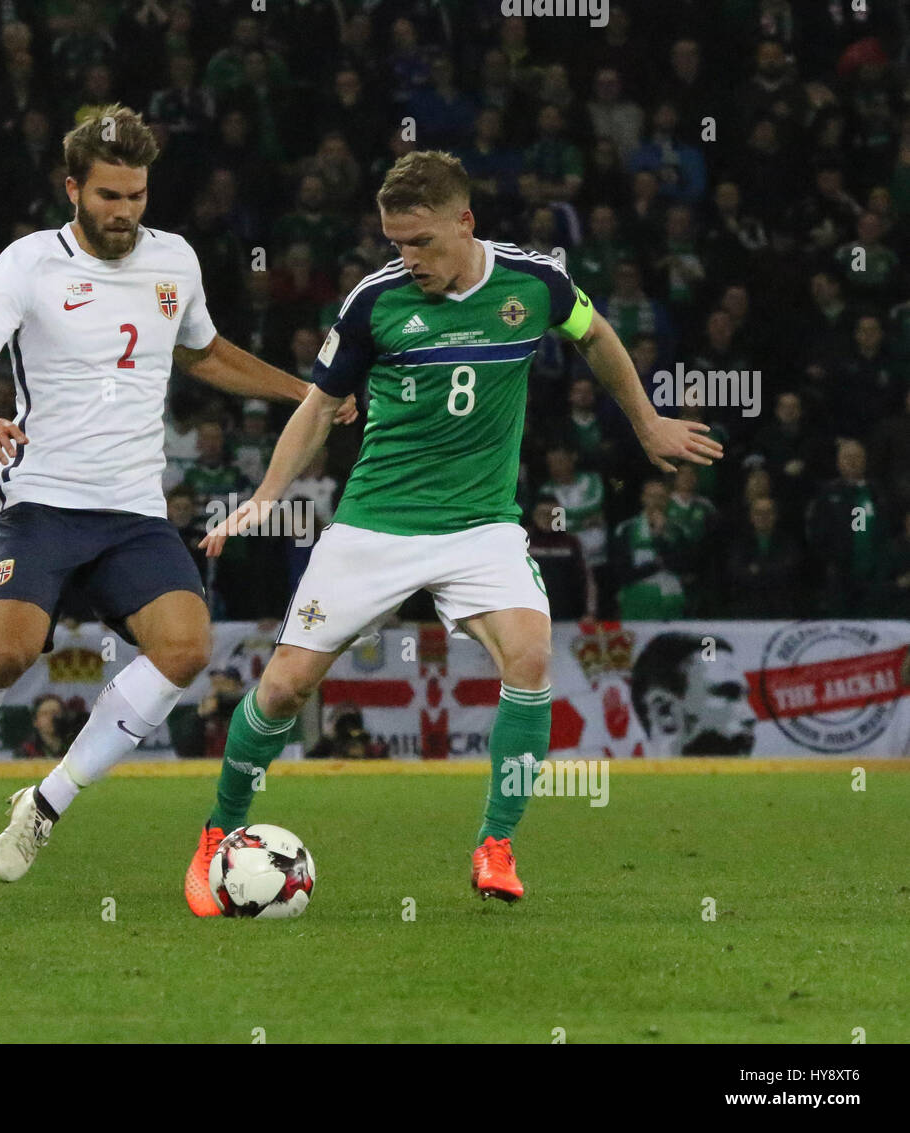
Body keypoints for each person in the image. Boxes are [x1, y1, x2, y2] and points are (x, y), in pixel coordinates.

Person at [182, 150, 721, 915]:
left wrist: (647, 423)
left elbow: (597, 334)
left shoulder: (536, 284)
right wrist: (269, 496)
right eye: (396, 242)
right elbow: (316, 408)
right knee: (284, 686)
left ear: (464, 223)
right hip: (376, 522)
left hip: (481, 526)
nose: (409, 258)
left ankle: (496, 844)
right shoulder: (374, 303)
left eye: (422, 241)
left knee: (532, 655)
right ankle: (218, 834)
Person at [0, 105, 355, 891]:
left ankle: (47, 801)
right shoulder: (28, 264)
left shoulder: (175, 261)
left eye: (137, 196)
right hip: (42, 501)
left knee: (185, 648)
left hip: (134, 511)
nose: (125, 212)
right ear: (73, 188)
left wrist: (306, 392)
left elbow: (206, 353)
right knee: (8, 652)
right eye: (110, 196)